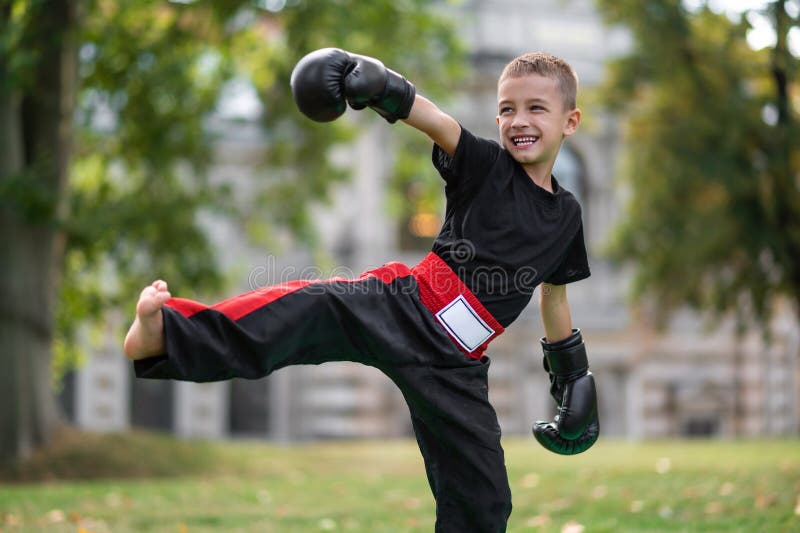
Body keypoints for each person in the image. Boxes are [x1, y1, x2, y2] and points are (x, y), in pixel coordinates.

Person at [124, 48, 599, 533]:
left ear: (570, 120)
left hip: (457, 365)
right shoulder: (486, 165)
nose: (518, 120)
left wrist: (573, 376)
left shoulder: (567, 217)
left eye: (536, 108)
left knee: (485, 498)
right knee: (305, 308)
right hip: (406, 305)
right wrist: (379, 85)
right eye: (506, 109)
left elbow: (553, 295)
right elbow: (437, 122)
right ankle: (165, 334)